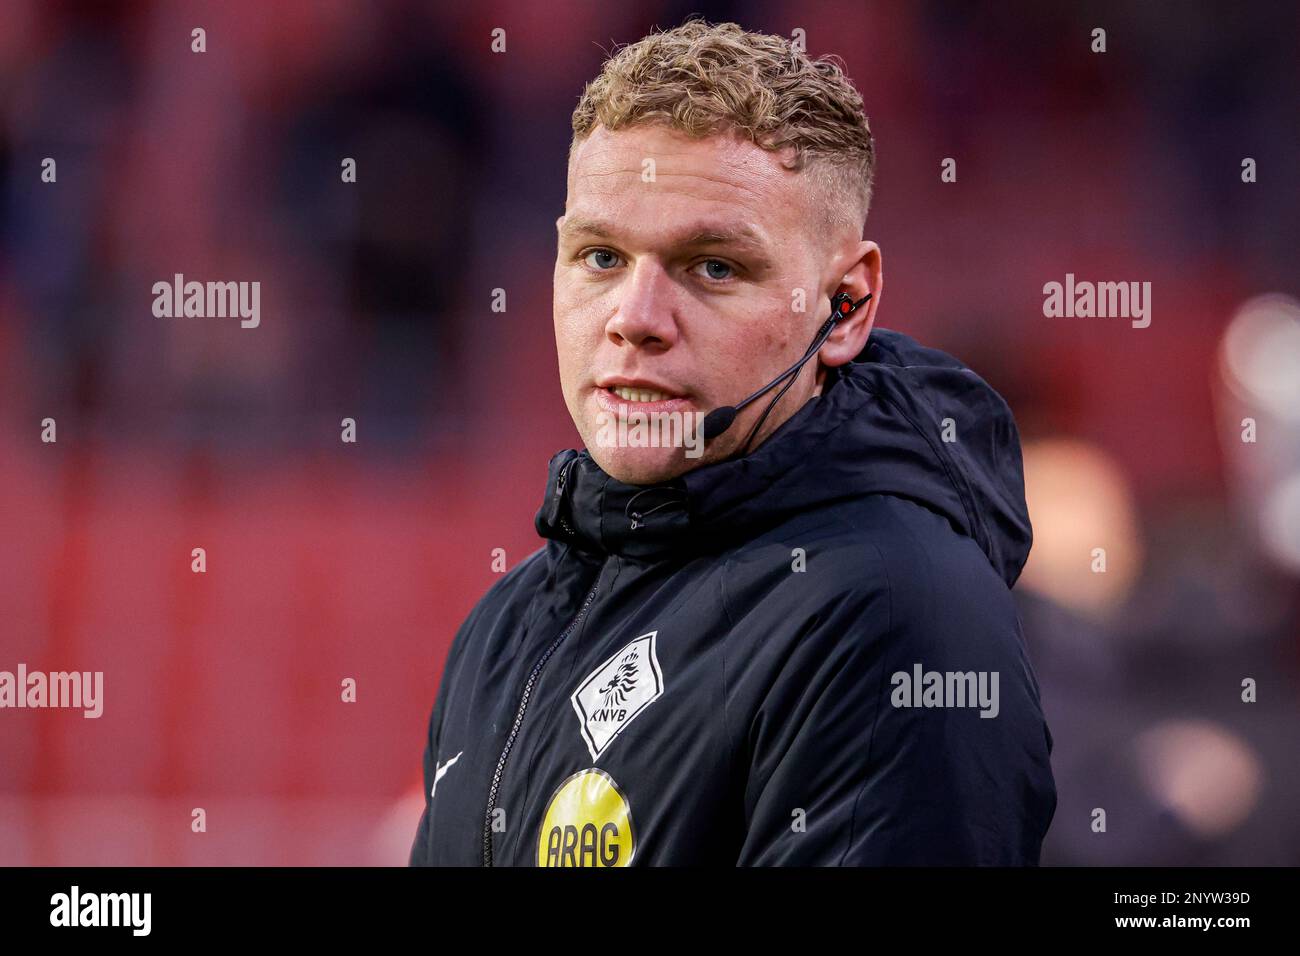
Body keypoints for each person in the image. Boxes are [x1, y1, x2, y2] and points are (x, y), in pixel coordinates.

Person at [409, 19, 1056, 866]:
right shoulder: (507, 625)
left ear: (846, 307)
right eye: (600, 257)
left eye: (713, 266)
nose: (634, 320)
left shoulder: (895, 617)